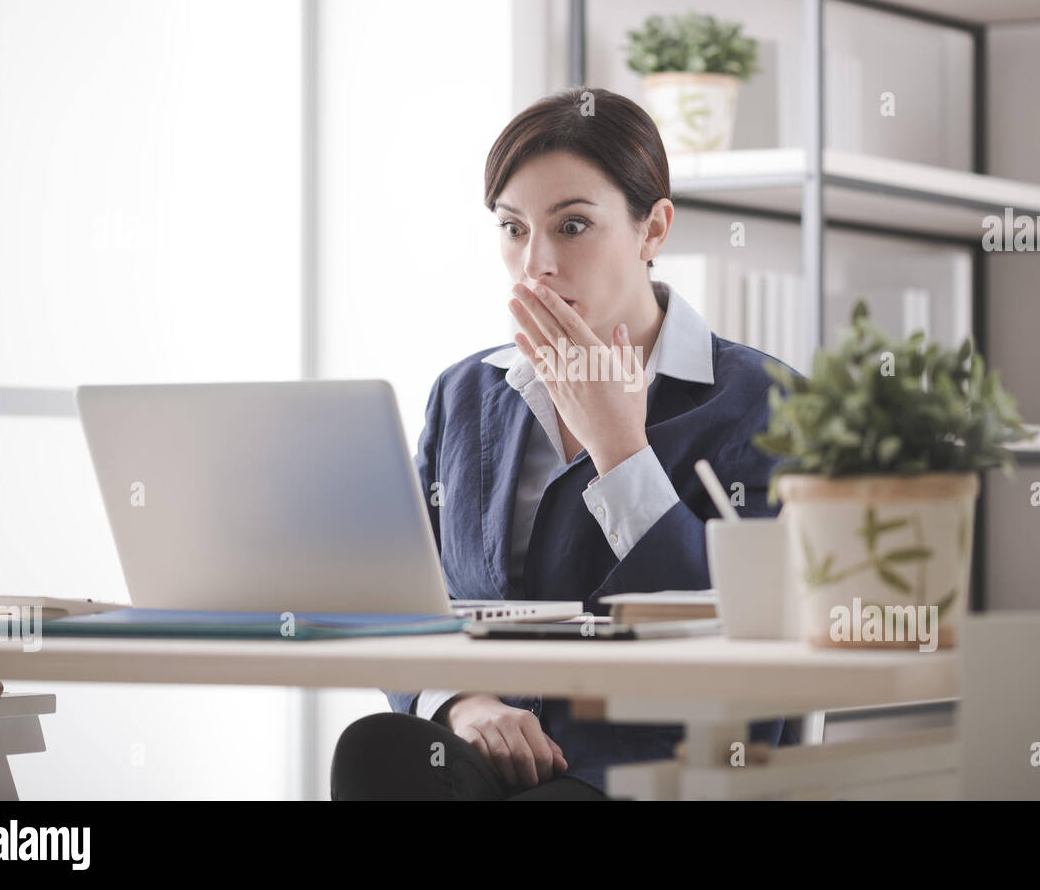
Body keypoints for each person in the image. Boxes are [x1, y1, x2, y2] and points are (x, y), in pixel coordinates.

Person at [330, 86, 799, 800]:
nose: (535, 264)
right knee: (375, 749)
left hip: (660, 770)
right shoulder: (464, 396)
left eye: (572, 225)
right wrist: (461, 701)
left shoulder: (765, 404)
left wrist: (620, 449)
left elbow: (744, 657)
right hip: (488, 764)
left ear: (653, 230)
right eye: (513, 229)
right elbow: (407, 606)